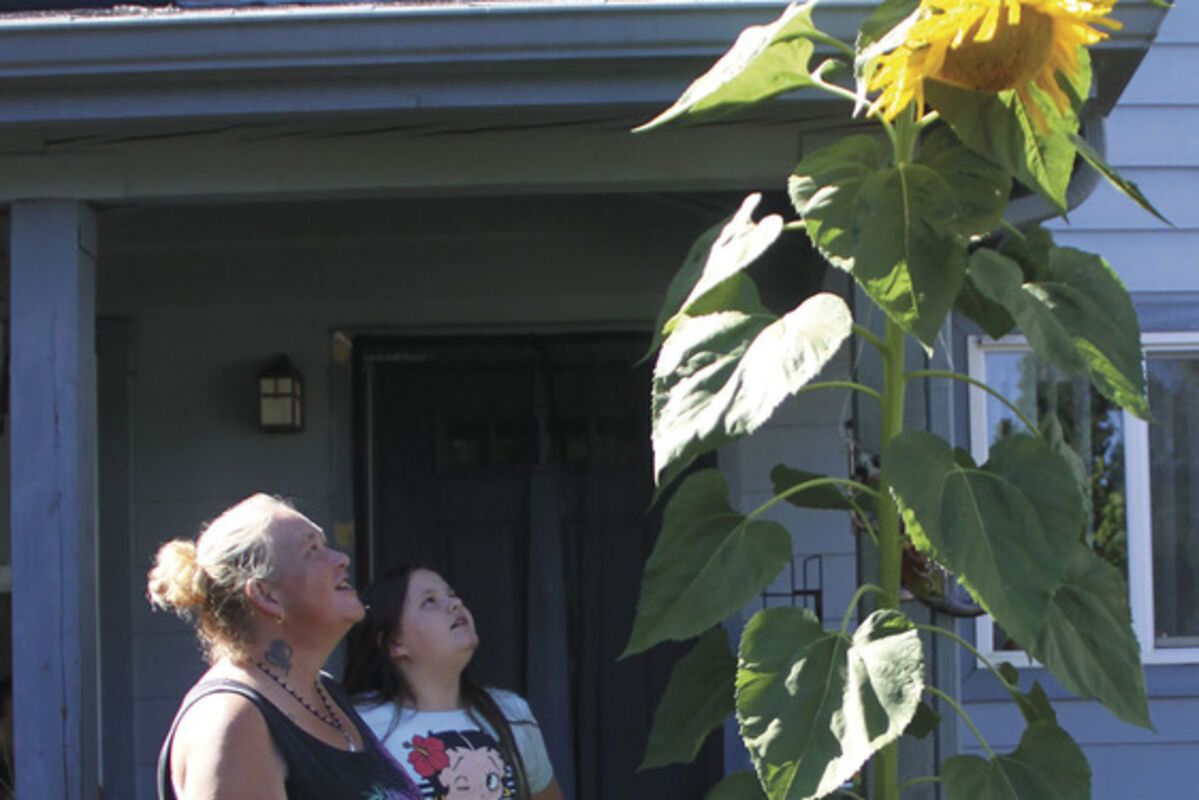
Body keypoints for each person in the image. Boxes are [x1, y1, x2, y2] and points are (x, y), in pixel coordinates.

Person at [147, 493, 420, 800]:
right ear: (266, 595)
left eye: (325, 544)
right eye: (311, 550)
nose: (340, 559)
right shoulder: (233, 722)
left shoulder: (324, 692)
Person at [344, 566, 564, 800]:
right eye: (429, 601)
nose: (455, 602)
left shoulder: (512, 712)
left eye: (451, 594)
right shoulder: (359, 727)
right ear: (395, 643)